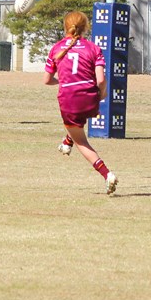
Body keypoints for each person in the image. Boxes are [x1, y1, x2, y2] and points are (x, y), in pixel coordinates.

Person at [44, 10, 118, 196]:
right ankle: (67, 141)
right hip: (90, 97)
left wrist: (64, 82)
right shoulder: (93, 48)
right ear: (85, 28)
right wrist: (101, 95)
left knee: (81, 141)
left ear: (65, 26)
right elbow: (100, 80)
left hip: (69, 98)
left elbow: (46, 80)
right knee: (77, 122)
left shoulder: (56, 49)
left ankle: (107, 174)